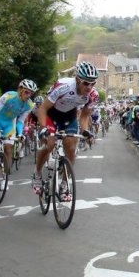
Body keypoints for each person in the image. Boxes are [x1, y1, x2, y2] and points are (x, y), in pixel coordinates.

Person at [33, 62, 99, 195]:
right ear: (77, 79)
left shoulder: (93, 95)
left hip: (69, 116)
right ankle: (38, 173)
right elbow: (43, 108)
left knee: (71, 146)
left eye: (93, 83)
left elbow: (85, 116)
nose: (90, 87)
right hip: (51, 114)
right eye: (86, 83)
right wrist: (43, 128)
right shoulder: (63, 86)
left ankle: (64, 183)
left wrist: (85, 130)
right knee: (49, 144)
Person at [0, 79, 38, 177]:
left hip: (10, 124)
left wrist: (20, 134)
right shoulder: (8, 96)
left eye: (31, 93)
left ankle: (4, 177)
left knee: (8, 149)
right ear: (20, 89)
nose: (29, 95)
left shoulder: (29, 105)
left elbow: (20, 121)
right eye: (27, 92)